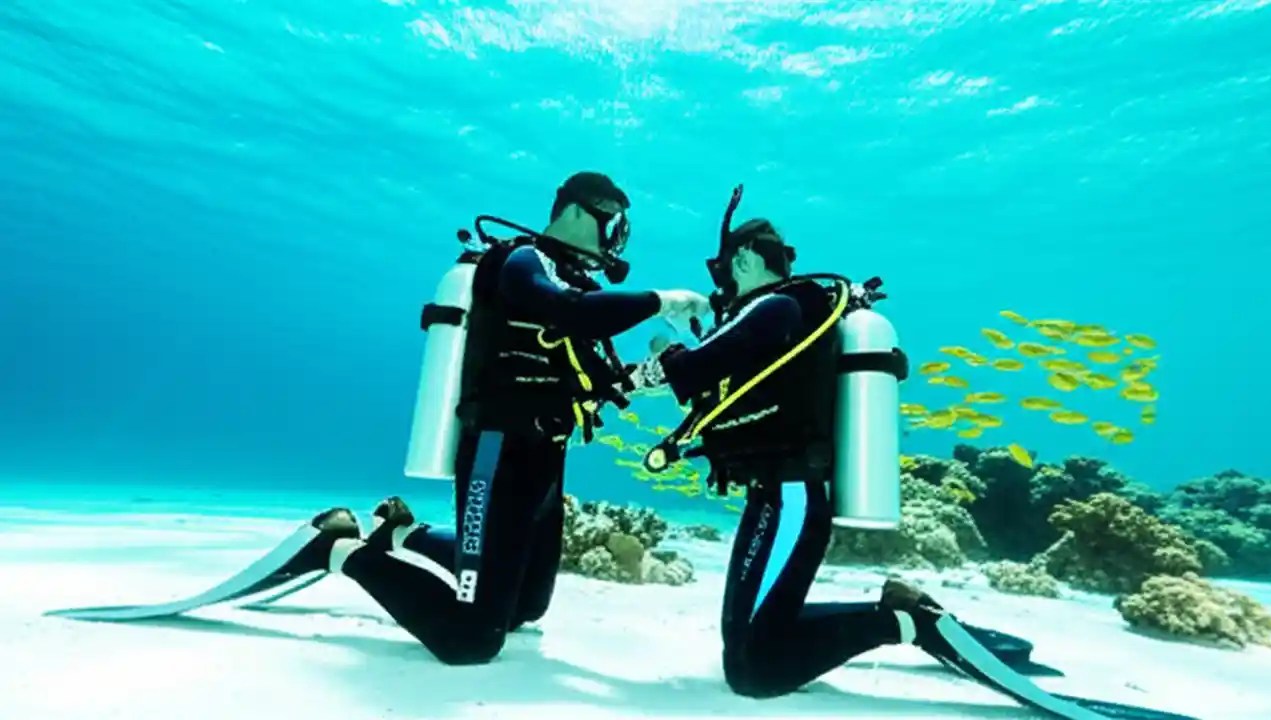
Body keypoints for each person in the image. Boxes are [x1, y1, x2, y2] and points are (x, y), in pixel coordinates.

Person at [622, 189, 1135, 719]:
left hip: (791, 499)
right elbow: (723, 378)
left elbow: (702, 366)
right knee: (743, 641)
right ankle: (891, 609)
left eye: (724, 271)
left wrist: (647, 364)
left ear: (746, 259)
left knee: (752, 672)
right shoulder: (784, 315)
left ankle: (906, 622)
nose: (721, 286)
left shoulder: (776, 307)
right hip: (775, 497)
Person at [287, 171, 710, 666]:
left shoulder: (579, 283)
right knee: (473, 639)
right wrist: (665, 300)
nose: (616, 237)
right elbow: (568, 311)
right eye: (611, 221)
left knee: (527, 607)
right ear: (576, 211)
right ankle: (337, 549)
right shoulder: (521, 261)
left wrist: (655, 374)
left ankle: (402, 534)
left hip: (545, 458)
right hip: (498, 448)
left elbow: (598, 378)